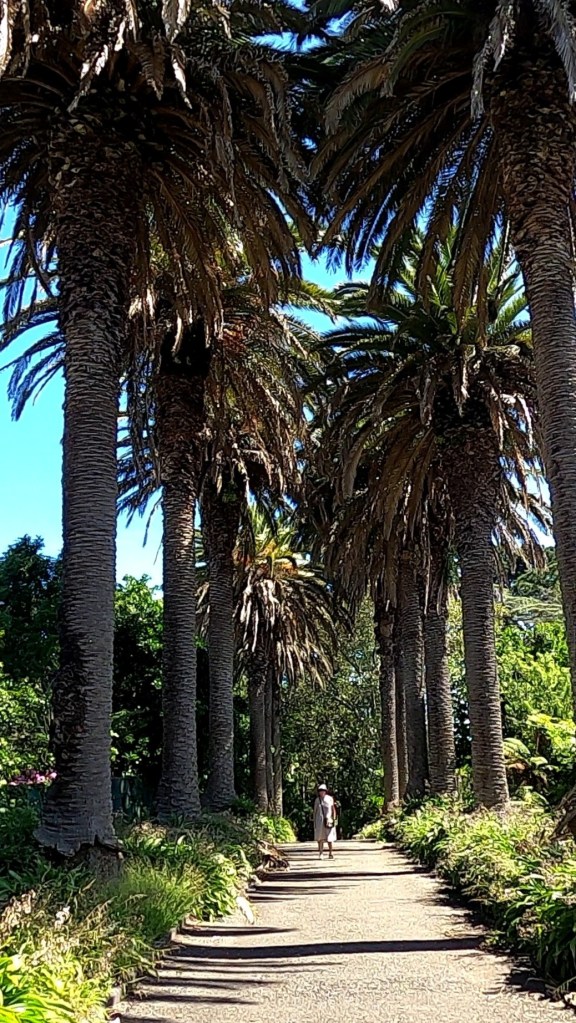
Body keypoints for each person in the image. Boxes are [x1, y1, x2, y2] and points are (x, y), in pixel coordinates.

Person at [313, 783, 337, 859]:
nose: (321, 792)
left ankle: (330, 853)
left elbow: (333, 809)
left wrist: (334, 818)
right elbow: (315, 811)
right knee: (320, 838)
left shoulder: (330, 799)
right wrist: (315, 822)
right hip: (319, 821)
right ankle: (321, 853)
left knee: (330, 838)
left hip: (328, 820)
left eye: (323, 790)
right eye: (320, 791)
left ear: (325, 791)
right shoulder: (317, 800)